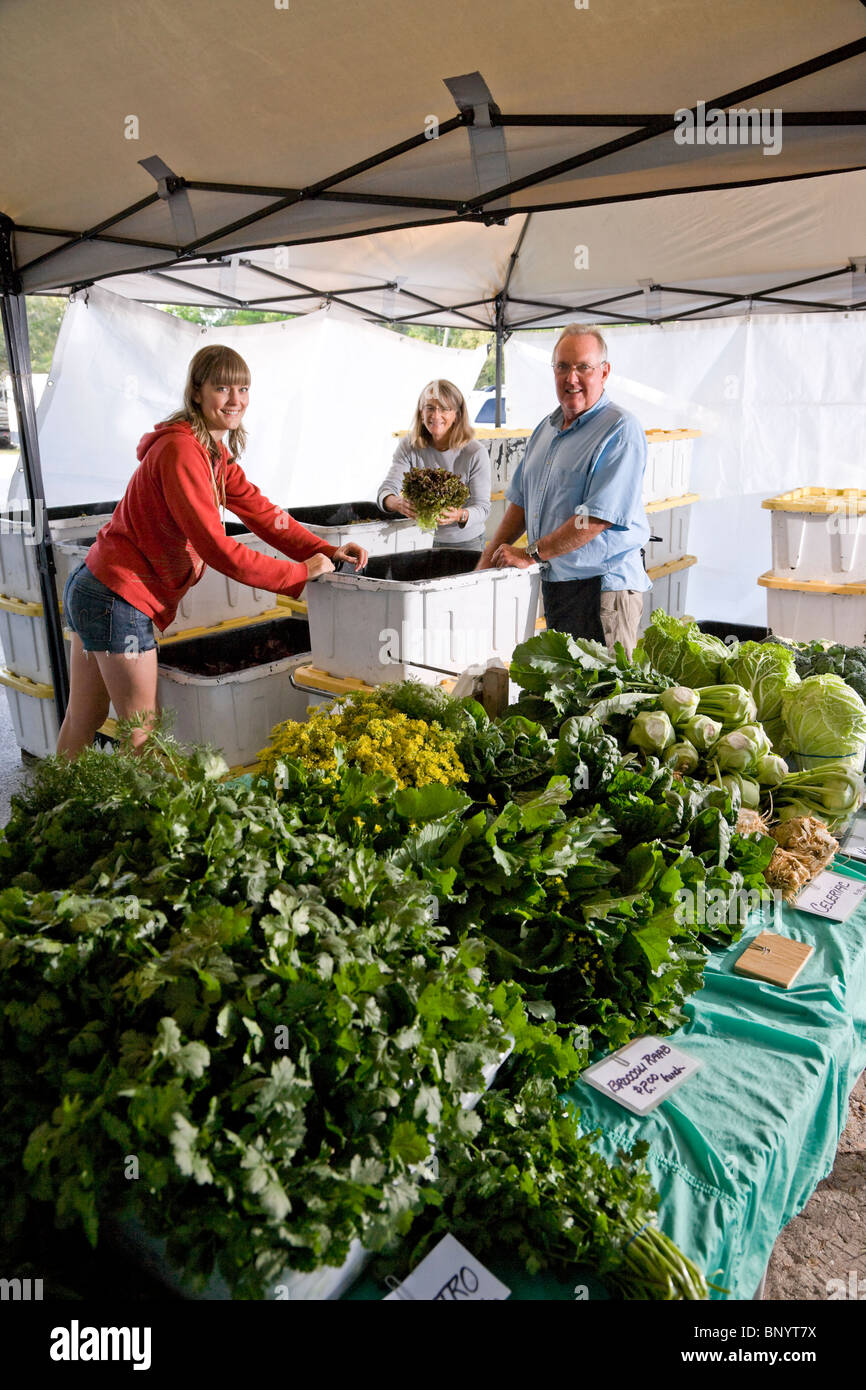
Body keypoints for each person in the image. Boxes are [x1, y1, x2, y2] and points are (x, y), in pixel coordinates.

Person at [57, 344, 368, 757]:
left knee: (86, 718)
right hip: (117, 597)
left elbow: (263, 512)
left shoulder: (211, 453)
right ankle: (139, 822)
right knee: (142, 734)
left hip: (94, 587)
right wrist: (297, 573)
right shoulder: (181, 451)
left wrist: (325, 548)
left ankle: (54, 808)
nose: (235, 399)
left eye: (243, 388)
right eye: (223, 388)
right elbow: (216, 548)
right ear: (198, 391)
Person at [476, 324, 650, 657]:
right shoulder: (546, 429)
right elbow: (522, 504)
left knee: (606, 700)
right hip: (558, 585)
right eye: (562, 366)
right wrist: (486, 562)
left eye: (583, 367)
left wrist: (529, 553)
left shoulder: (620, 429)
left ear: (604, 372)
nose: (571, 377)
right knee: (567, 698)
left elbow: (596, 518)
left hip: (603, 590)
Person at [378, 380, 490, 549]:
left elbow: (483, 508)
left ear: (457, 415)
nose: (435, 416)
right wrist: (396, 503)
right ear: (421, 412)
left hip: (466, 543)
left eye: (444, 408)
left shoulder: (474, 452)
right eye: (430, 408)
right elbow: (386, 490)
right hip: (419, 540)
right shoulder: (409, 446)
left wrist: (460, 515)